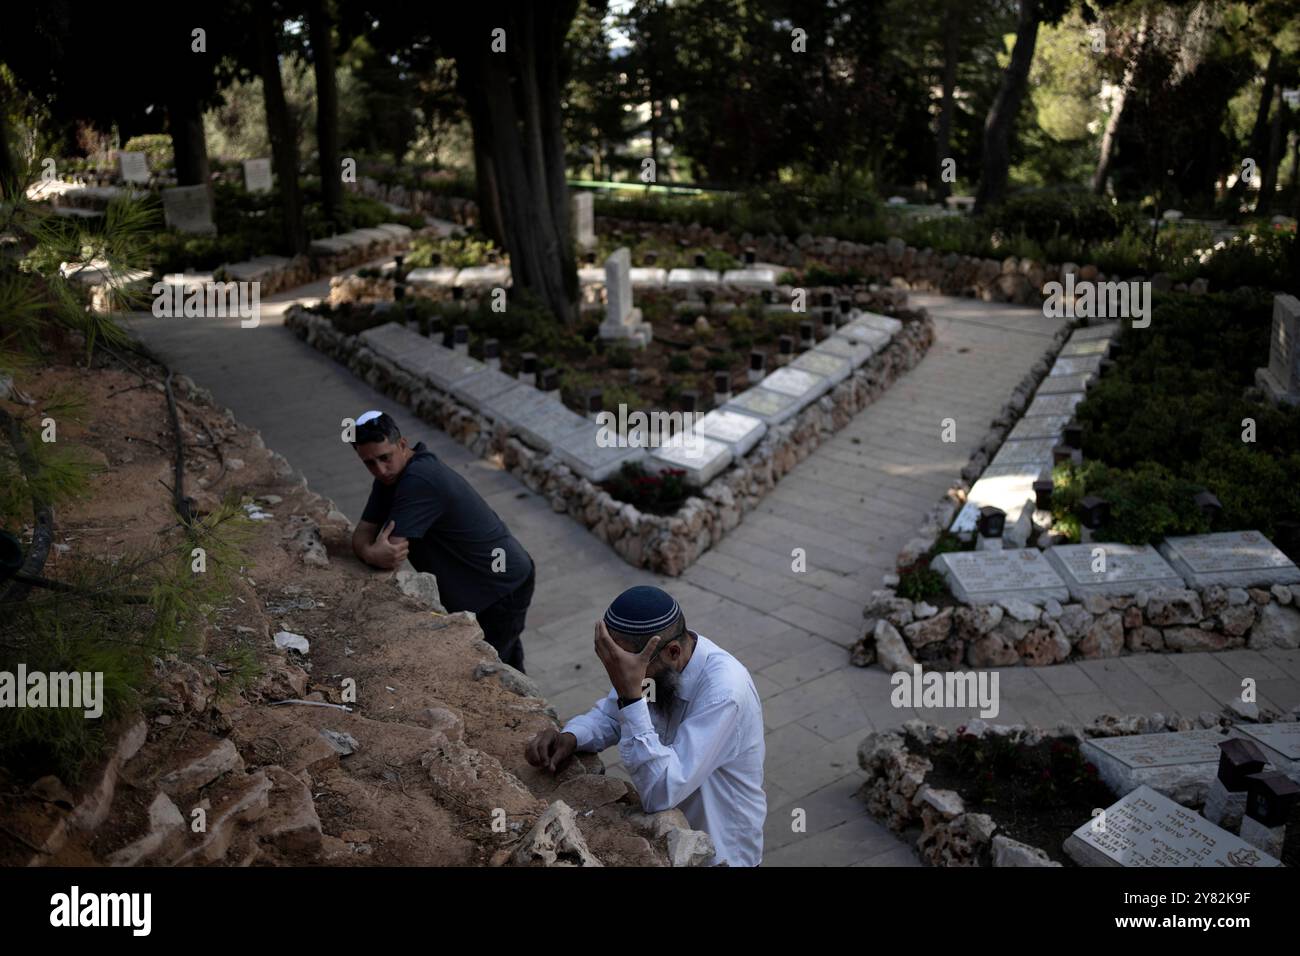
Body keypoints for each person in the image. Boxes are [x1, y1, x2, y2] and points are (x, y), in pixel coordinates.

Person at [524, 586, 766, 866]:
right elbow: (613, 715)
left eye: (629, 670)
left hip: (721, 852)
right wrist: (572, 736)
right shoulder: (661, 667)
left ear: (673, 652)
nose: (623, 677)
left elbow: (660, 791)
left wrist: (631, 695)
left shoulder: (724, 693)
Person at [349, 410, 535, 673]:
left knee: (490, 672)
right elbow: (363, 537)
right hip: (492, 584)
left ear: (403, 445)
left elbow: (390, 552)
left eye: (384, 457)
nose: (379, 469)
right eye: (369, 463)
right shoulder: (391, 478)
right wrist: (370, 553)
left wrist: (369, 551)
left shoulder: (419, 480)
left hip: (500, 588)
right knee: (506, 664)